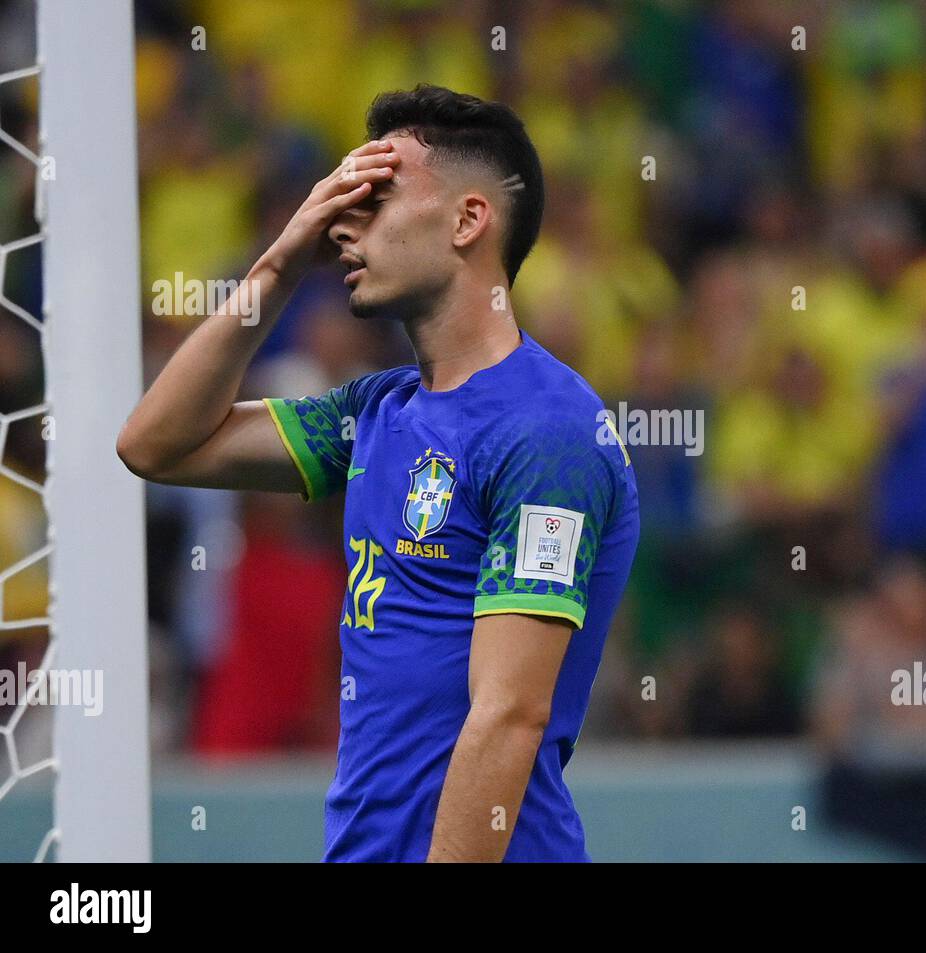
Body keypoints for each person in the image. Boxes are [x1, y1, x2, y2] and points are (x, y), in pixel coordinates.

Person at [116, 85, 640, 862]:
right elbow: (155, 444)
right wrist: (281, 262)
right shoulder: (378, 411)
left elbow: (509, 714)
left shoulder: (548, 431)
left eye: (376, 198)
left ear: (468, 220)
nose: (343, 222)